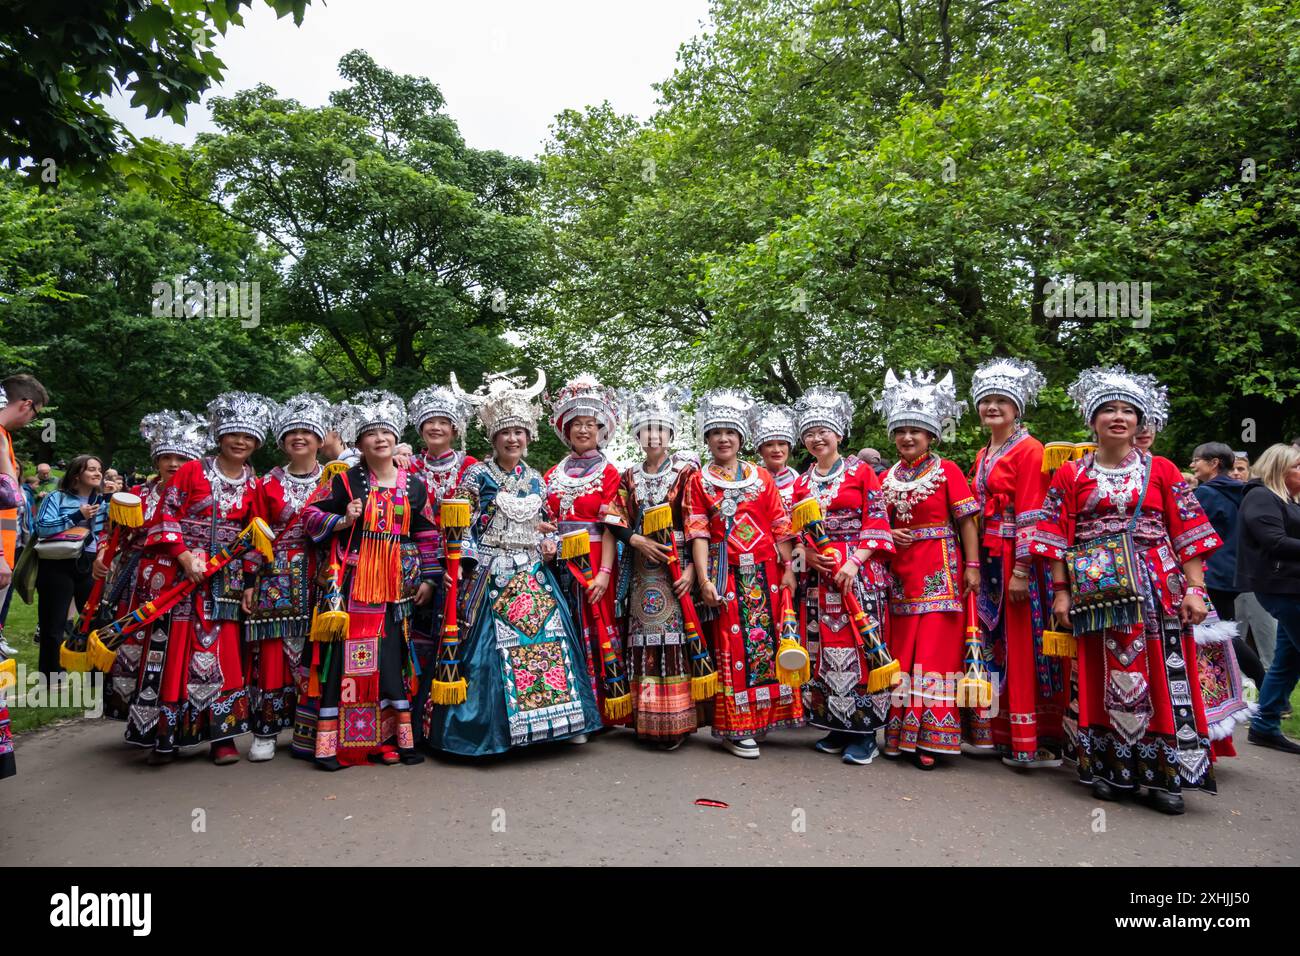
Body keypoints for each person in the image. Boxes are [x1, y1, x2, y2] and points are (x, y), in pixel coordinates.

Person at [1035, 366, 1221, 814]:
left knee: (1164, 672)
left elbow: (1188, 533)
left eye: (1128, 412)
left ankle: (1166, 776)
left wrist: (1195, 589)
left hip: (1160, 585)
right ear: (1093, 420)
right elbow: (1056, 538)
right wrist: (1061, 592)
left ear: (1140, 422)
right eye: (1108, 410)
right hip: (1099, 589)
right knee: (1104, 672)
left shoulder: (1163, 470)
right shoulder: (1069, 476)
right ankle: (1113, 769)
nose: (1118, 418)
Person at [425, 370, 601, 755]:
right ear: (493, 438)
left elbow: (547, 523)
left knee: (551, 639)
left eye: (519, 431)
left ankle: (561, 723)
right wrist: (470, 560)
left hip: (533, 571)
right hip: (490, 571)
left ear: (528, 436)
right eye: (505, 432)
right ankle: (493, 732)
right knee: (489, 653)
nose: (513, 439)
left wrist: (550, 542)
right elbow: (458, 523)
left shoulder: (538, 478)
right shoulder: (476, 474)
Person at [300, 391, 439, 769]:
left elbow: (426, 532)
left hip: (397, 586)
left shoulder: (415, 485)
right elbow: (309, 514)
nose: (380, 439)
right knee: (348, 660)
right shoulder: (344, 481)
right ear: (359, 442)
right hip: (353, 583)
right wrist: (342, 520)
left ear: (396, 438)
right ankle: (336, 745)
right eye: (372, 433)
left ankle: (394, 741)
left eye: (387, 432)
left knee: (392, 660)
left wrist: (428, 577)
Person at [133, 392, 272, 765]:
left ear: (256, 443)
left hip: (223, 579)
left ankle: (221, 738)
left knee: (223, 651)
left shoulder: (255, 484)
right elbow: (166, 516)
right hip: (182, 574)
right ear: (220, 436)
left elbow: (255, 537)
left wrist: (248, 582)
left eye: (248, 437)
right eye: (233, 434)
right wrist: (182, 557)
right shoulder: (192, 470)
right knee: (176, 650)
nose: (240, 442)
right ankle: (166, 735)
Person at [684, 389, 803, 759]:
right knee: (733, 647)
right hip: (727, 575)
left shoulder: (761, 477)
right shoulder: (699, 481)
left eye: (730, 433)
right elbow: (698, 533)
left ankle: (763, 718)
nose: (723, 439)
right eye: (716, 432)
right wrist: (704, 580)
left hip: (767, 573)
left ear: (741, 439)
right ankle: (735, 728)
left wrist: (791, 571)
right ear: (707, 439)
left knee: (765, 647)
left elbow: (781, 525)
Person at [875, 370, 981, 769]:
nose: (907, 438)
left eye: (916, 431)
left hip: (941, 569)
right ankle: (901, 732)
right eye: (901, 430)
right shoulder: (888, 477)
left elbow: (967, 521)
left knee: (935, 652)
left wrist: (972, 566)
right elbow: (878, 525)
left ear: (931, 435)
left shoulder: (947, 470)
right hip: (901, 575)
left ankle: (931, 736)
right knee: (903, 651)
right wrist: (891, 536)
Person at [965, 358, 1068, 769]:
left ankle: (1033, 740)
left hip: (1015, 558)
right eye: (986, 401)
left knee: (1023, 643)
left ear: (1017, 407)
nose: (992, 407)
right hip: (991, 557)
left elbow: (1031, 513)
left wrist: (1022, 570)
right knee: (996, 643)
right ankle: (1000, 731)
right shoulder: (984, 450)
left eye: (1001, 401)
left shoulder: (1030, 449)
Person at [790, 385, 895, 766]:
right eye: (810, 433)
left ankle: (864, 731)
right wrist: (806, 555)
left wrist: (855, 561)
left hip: (858, 571)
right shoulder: (802, 482)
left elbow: (877, 520)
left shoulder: (861, 472)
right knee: (823, 647)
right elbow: (795, 532)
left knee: (859, 645)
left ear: (839, 434)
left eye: (824, 431)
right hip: (820, 576)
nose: (817, 438)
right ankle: (836, 723)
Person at [603, 385, 703, 749]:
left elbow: (697, 521)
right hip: (643, 567)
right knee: (644, 640)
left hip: (676, 564)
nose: (653, 436)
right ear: (638, 436)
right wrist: (635, 539)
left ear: (671, 434)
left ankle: (675, 720)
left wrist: (693, 567)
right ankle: (647, 719)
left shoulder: (687, 473)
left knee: (675, 636)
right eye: (646, 429)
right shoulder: (628, 476)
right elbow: (613, 517)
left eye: (660, 429)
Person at [97, 410, 206, 724]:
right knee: (134, 643)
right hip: (137, 580)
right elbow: (111, 534)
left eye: (181, 459)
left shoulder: (198, 496)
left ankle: (170, 717)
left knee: (173, 648)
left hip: (180, 579)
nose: (173, 464)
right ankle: (132, 713)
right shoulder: (135, 495)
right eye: (167, 457)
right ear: (156, 460)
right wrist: (102, 553)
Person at [244, 394, 330, 762]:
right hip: (275, 575)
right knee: (273, 652)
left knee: (316, 650)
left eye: (307, 432)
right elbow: (253, 534)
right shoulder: (265, 484)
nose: (299, 438)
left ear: (319, 439)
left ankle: (311, 728)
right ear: (281, 441)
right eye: (292, 432)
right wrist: (249, 581)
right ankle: (266, 730)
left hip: (322, 574)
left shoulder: (335, 480)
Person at [543, 374, 627, 726]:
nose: (582, 430)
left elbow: (611, 527)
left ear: (601, 429)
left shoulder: (611, 473)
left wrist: (606, 573)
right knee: (565, 629)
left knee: (598, 627)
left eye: (589, 424)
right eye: (576, 423)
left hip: (594, 561)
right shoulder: (550, 474)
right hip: (556, 563)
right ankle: (573, 709)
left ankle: (603, 709)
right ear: (566, 428)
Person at [401, 379, 477, 747]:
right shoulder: (407, 465)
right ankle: (416, 724)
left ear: (454, 429)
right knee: (417, 642)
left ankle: (454, 726)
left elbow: (480, 516)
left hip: (462, 563)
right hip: (416, 565)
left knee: (460, 639)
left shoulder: (471, 466)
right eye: (429, 421)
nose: (436, 427)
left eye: (443, 422)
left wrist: (460, 563)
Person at [1237, 443, 1300, 755]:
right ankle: (1265, 724)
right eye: (1299, 466)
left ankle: (1264, 725)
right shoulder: (1261, 496)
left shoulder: (1287, 499)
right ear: (1280, 469)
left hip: (1289, 586)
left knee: (1288, 660)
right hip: (1280, 586)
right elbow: (1274, 542)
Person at [1190, 441, 1265, 683]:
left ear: (1214, 464)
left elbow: (1193, 534)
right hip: (1234, 572)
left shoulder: (1206, 494)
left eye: (1197, 460)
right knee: (1223, 630)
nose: (1192, 465)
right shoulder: (1243, 492)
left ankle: (1266, 684)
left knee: (1224, 633)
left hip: (1212, 573)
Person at [34, 454, 106, 680]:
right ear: (76, 475)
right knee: (53, 622)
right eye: (91, 469)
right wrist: (78, 515)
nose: (97, 473)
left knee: (96, 620)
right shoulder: (56, 497)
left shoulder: (104, 501)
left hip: (90, 563)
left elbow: (108, 534)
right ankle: (51, 675)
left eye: (99, 469)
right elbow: (42, 527)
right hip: (56, 563)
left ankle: (96, 674)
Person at [0, 374, 47, 624]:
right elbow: (7, 496)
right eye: (36, 414)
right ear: (26, 404)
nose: (31, 421)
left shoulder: (4, 437)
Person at [752, 403, 800, 514]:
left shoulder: (801, 482)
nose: (776, 450)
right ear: (760, 450)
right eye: (769, 445)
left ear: (789, 447)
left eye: (782, 444)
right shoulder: (752, 481)